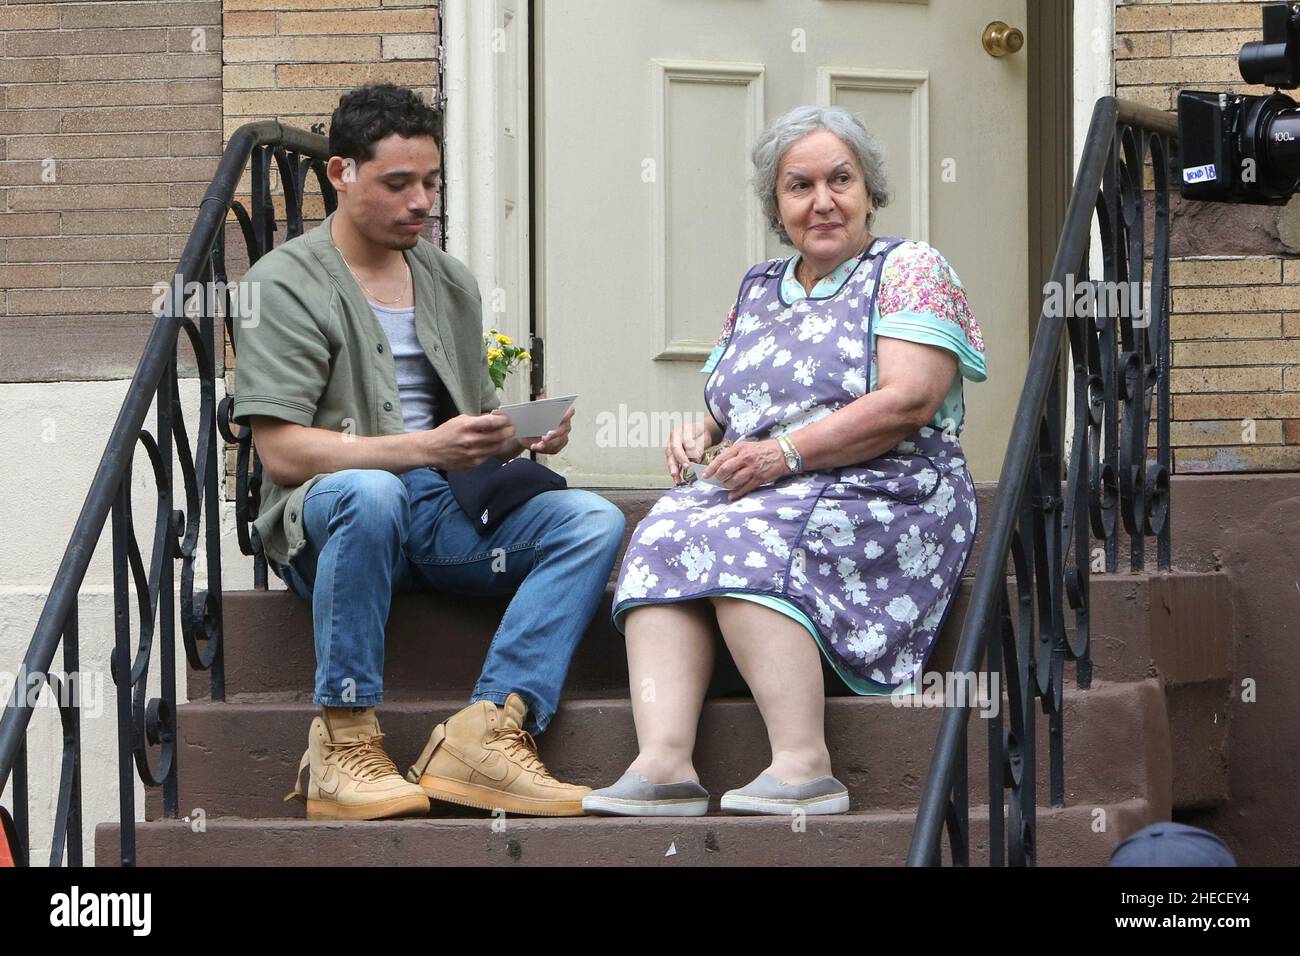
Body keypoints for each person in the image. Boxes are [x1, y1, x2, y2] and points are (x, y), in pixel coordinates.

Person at [231, 84, 625, 821]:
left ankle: (488, 732)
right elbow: (282, 455)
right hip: (330, 524)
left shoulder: (448, 282)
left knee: (593, 519)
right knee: (372, 492)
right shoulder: (283, 284)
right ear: (341, 174)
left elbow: (466, 422)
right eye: (398, 183)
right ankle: (344, 740)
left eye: (431, 183)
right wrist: (419, 447)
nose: (421, 202)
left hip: (441, 513)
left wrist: (514, 433)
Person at [584, 105, 987, 817]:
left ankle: (804, 765)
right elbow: (730, 397)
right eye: (799, 186)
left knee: (740, 533)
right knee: (664, 528)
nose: (822, 201)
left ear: (870, 190)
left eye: (840, 180)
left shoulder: (910, 268)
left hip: (890, 486)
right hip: (774, 482)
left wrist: (784, 455)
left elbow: (909, 402)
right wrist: (696, 430)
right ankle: (664, 764)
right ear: (777, 203)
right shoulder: (759, 285)